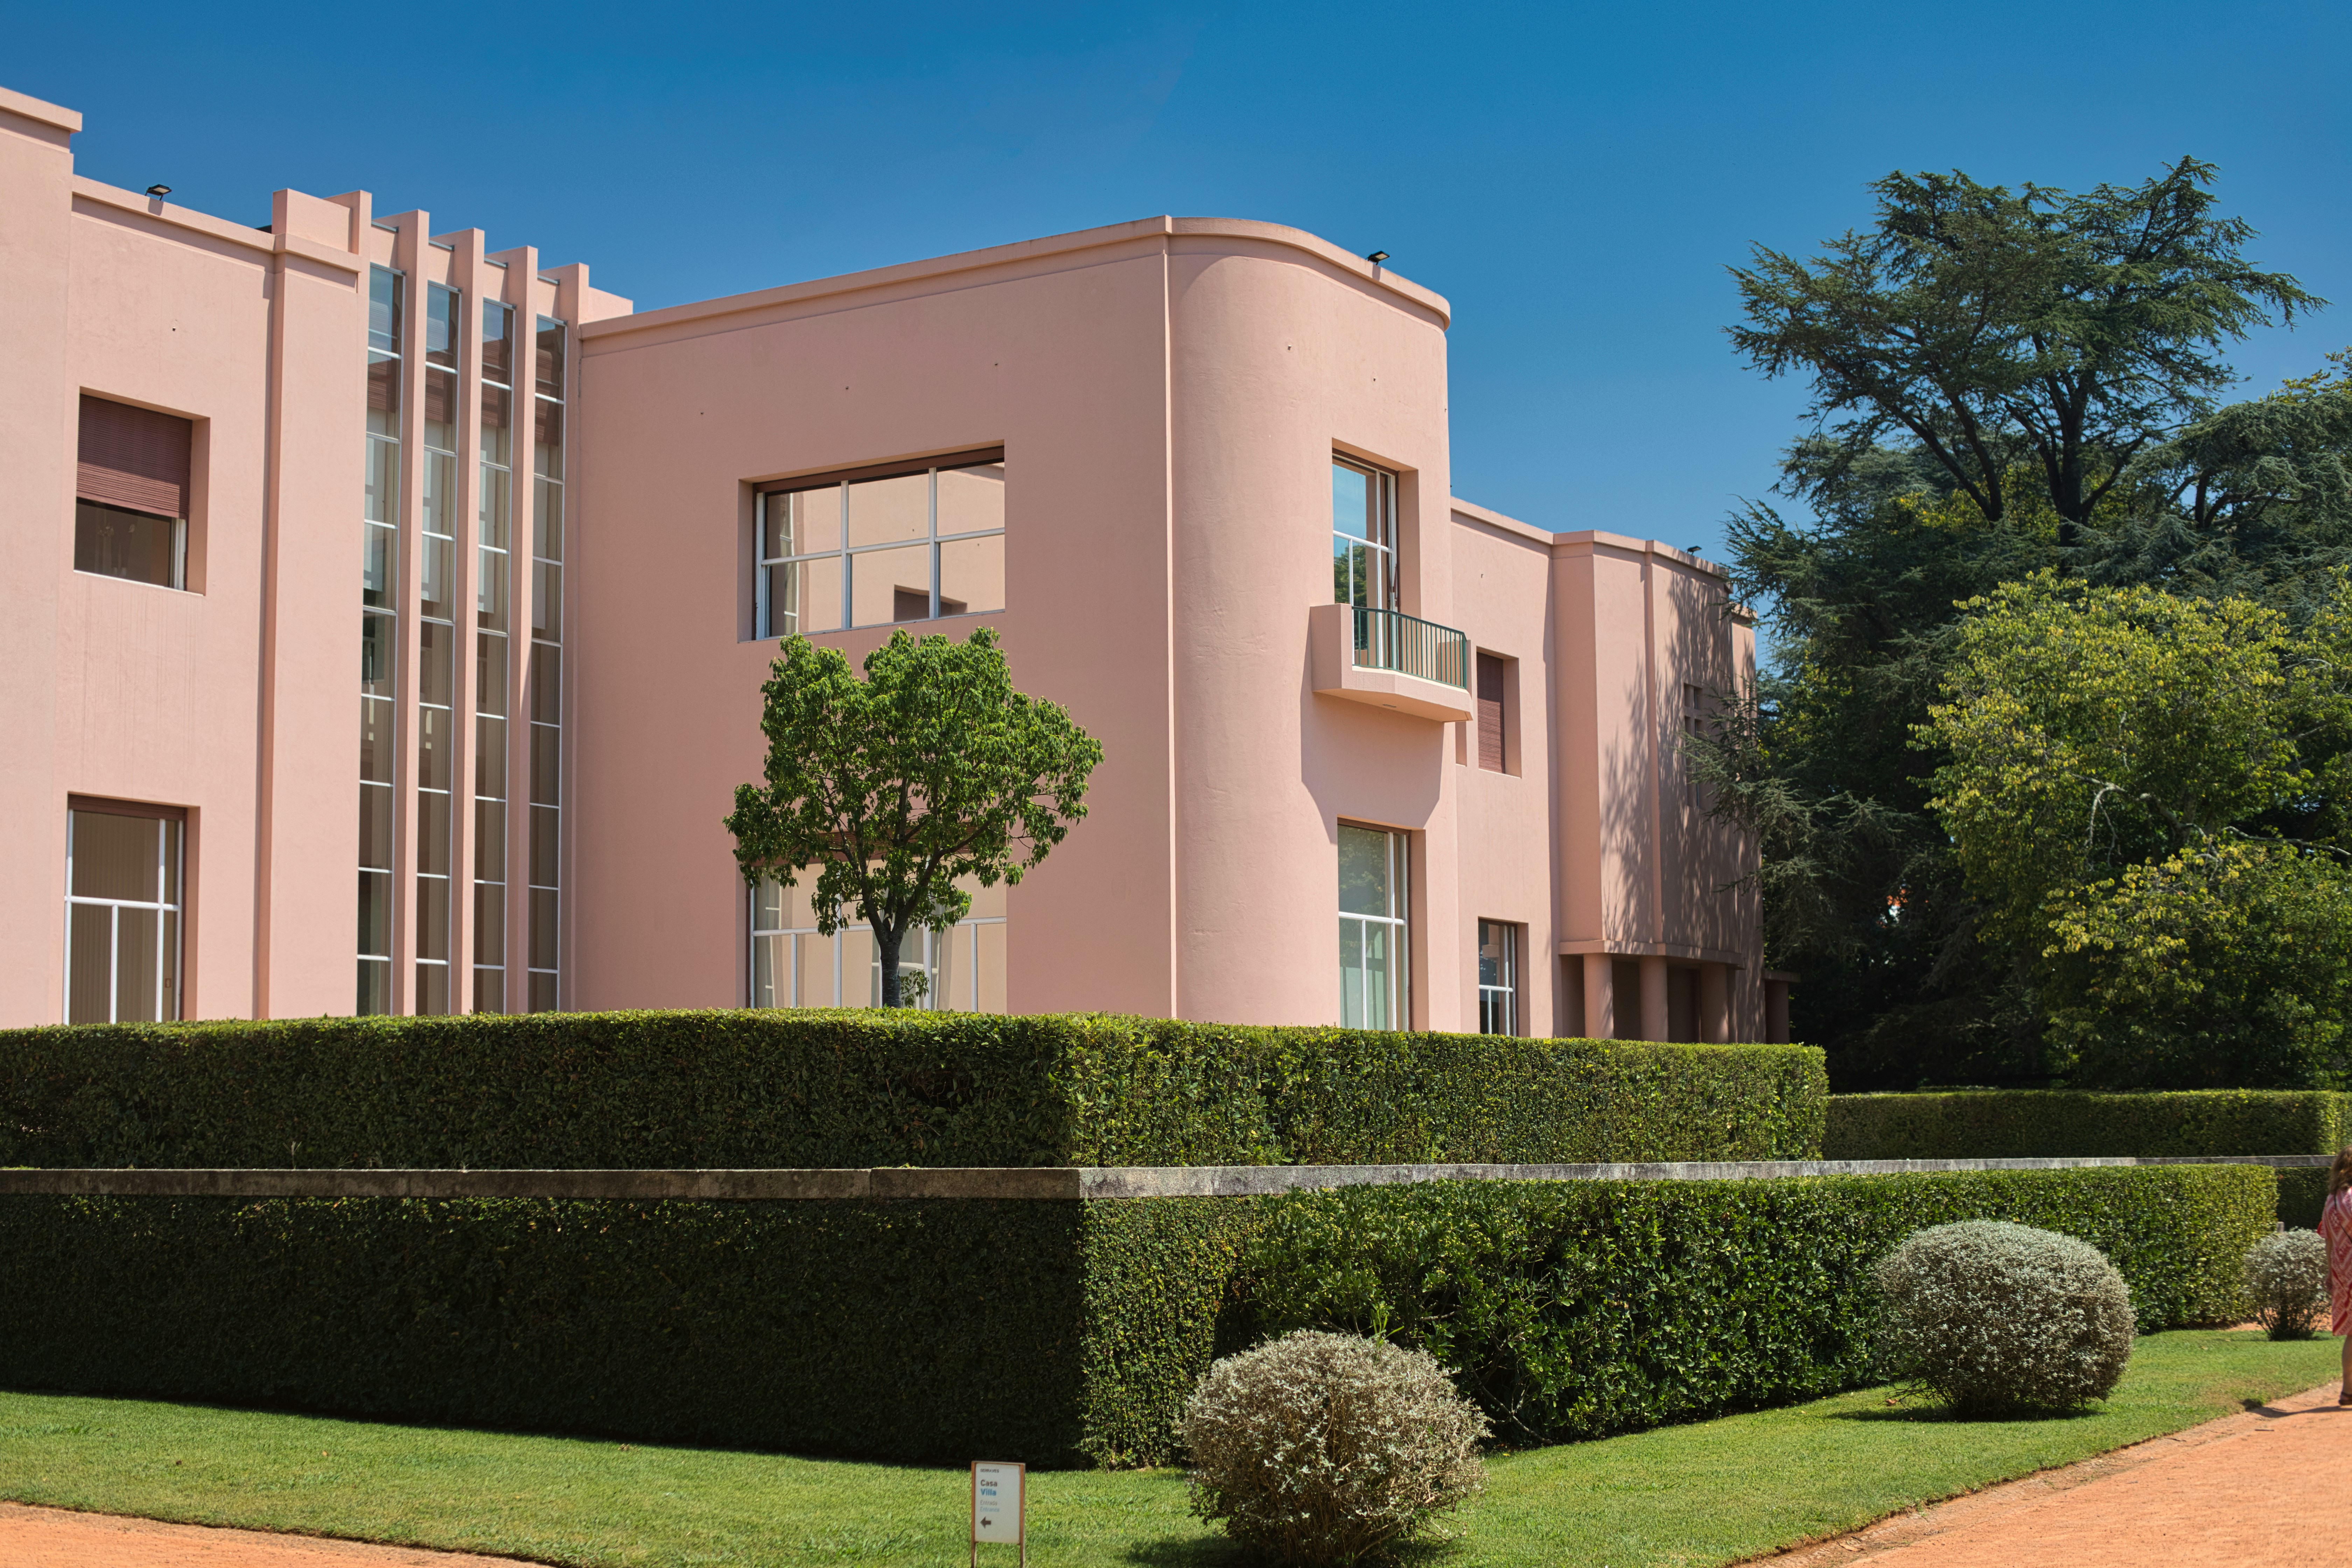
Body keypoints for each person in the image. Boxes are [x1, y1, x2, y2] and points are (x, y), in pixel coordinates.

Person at [2327, 1147, 2352, 1405]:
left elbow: (2329, 1241)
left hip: (2342, 1269)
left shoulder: (2332, 1200)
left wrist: (2330, 1273)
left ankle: (2348, 1390)